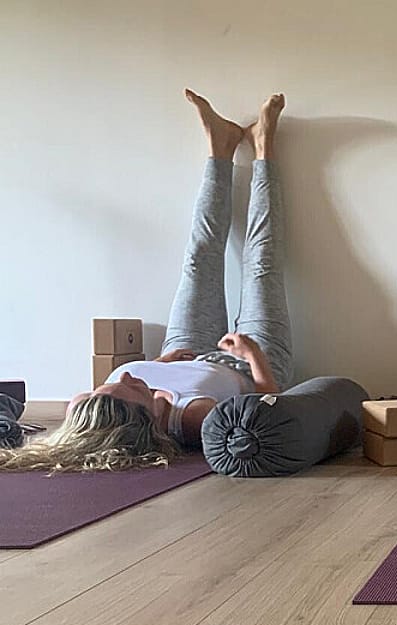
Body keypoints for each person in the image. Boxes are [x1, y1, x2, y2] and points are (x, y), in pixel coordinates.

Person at [0, 90, 291, 472]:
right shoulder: (192, 418)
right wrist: (253, 356)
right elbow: (267, 411)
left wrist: (161, 362)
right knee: (261, 260)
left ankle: (220, 149)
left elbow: (120, 387)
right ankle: (264, 146)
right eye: (137, 387)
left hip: (184, 350)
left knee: (198, 259)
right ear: (149, 417)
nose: (134, 376)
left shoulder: (89, 404)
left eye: (121, 380)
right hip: (251, 365)